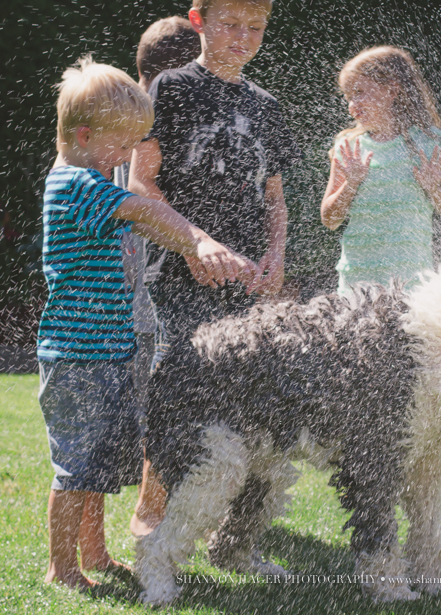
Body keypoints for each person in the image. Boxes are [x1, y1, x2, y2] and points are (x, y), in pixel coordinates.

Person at [39, 56, 254, 590]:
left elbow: (147, 223)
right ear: (85, 136)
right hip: (78, 355)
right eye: (122, 146)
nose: (127, 157)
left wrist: (190, 249)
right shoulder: (75, 184)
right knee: (75, 469)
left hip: (109, 349)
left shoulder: (93, 178)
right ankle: (62, 568)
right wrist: (199, 241)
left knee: (97, 466)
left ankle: (95, 555)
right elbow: (144, 210)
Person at [128, 0, 301, 535]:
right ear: (199, 21)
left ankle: (234, 532)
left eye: (256, 28)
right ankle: (150, 517)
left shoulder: (266, 105)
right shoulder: (172, 87)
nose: (243, 37)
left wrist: (276, 256)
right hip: (182, 272)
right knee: (181, 390)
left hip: (247, 277)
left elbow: (275, 199)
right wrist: (194, 245)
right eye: (230, 25)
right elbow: (140, 183)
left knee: (247, 397)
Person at [113, 16, 202, 537]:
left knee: (156, 411)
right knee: (161, 411)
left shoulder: (123, 125)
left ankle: (161, 510)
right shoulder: (144, 128)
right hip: (141, 302)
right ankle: (150, 515)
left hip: (131, 303)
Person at [320, 46, 441, 296]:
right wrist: (350, 184)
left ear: (392, 90)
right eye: (348, 97)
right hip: (357, 286)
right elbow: (330, 220)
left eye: (359, 93)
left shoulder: (430, 144)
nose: (352, 105)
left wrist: (433, 188)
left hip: (411, 286)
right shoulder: (348, 148)